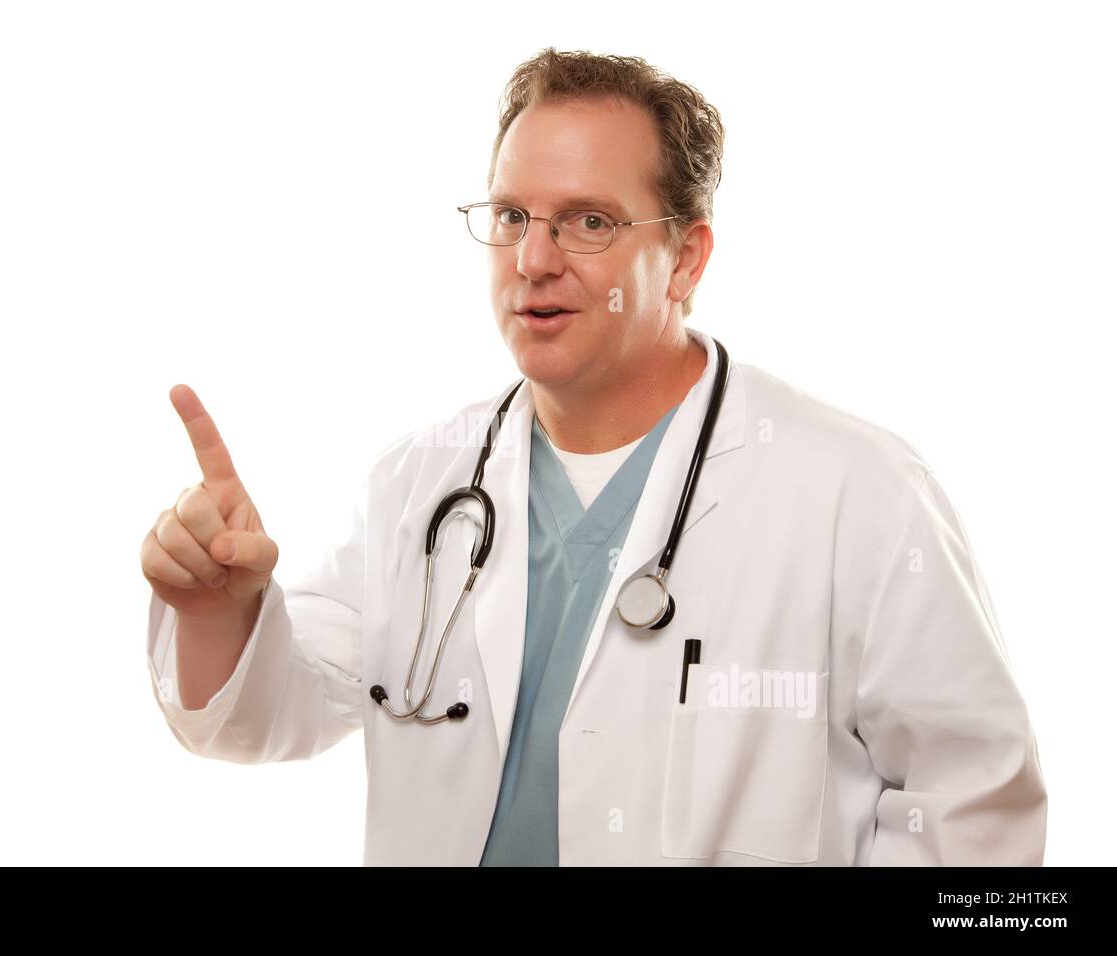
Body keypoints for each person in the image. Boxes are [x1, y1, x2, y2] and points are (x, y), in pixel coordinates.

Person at [140, 48, 1047, 866]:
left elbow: (976, 815)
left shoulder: (858, 492)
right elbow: (273, 715)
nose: (533, 258)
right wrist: (222, 609)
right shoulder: (420, 484)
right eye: (510, 215)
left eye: (588, 223)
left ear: (685, 259)